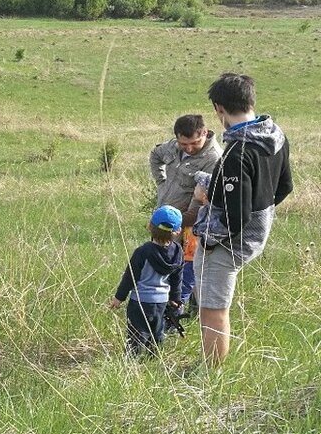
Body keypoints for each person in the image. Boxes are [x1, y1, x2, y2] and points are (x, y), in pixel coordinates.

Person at [191, 73, 293, 364]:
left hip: (229, 244)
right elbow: (285, 186)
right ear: (251, 100)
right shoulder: (275, 136)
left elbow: (236, 216)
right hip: (256, 236)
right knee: (214, 304)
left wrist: (206, 202)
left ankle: (211, 371)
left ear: (218, 108)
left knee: (213, 309)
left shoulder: (237, 151)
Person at [149, 114, 222, 311]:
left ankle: (180, 312)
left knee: (185, 269)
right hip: (166, 215)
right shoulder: (173, 146)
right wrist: (161, 182)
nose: (189, 148)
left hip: (186, 225)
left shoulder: (213, 159)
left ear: (205, 133)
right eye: (184, 144)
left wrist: (170, 223)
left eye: (194, 143)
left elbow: (199, 203)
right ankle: (165, 306)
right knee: (166, 264)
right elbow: (155, 155)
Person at [110, 205, 185, 357]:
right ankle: (154, 358)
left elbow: (130, 277)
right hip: (162, 302)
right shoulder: (178, 252)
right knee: (157, 332)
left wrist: (119, 297)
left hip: (140, 301)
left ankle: (132, 360)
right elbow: (177, 278)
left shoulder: (142, 252)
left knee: (137, 332)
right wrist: (175, 298)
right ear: (177, 231)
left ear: (150, 226)